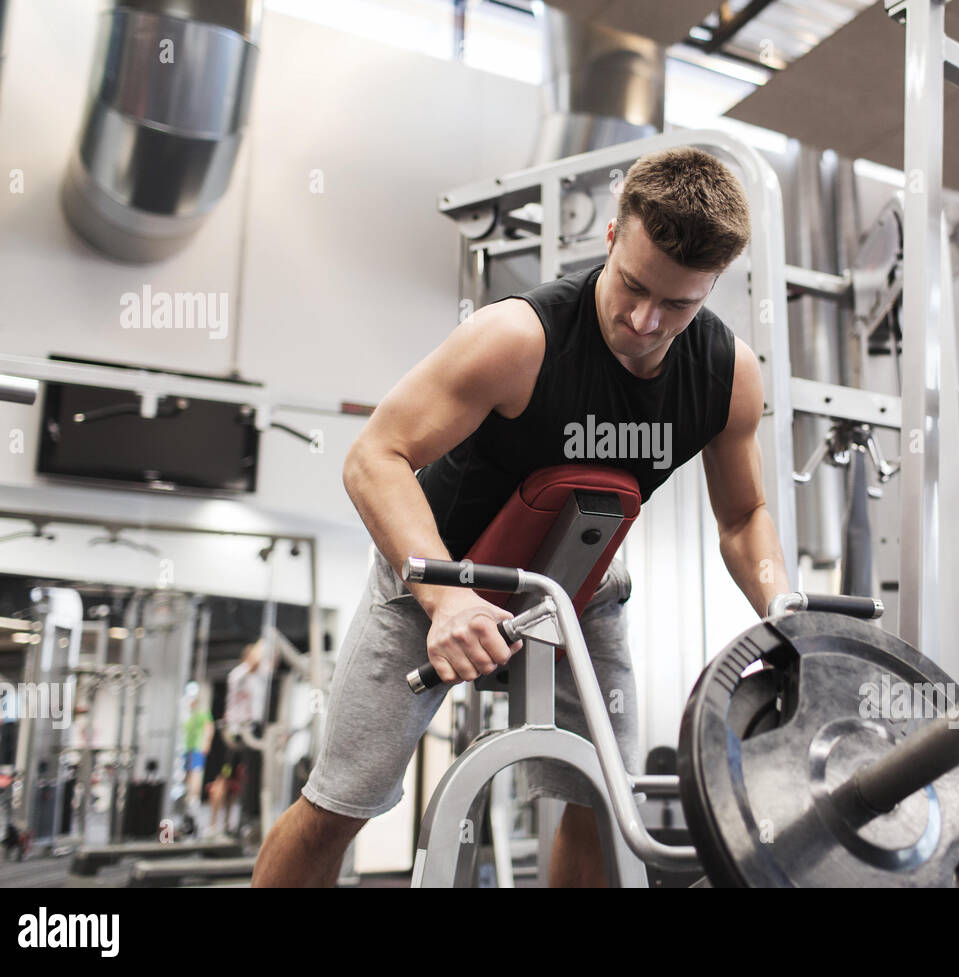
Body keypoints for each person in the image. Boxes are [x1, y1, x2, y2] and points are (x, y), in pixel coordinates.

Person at [253, 146, 794, 888]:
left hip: (579, 587)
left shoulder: (729, 375)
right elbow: (374, 456)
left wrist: (785, 612)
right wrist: (444, 598)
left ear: (714, 285)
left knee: (606, 799)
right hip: (439, 566)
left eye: (678, 304)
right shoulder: (518, 339)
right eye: (634, 287)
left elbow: (745, 516)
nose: (645, 320)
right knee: (344, 799)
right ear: (610, 237)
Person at [207, 640, 269, 838]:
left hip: (252, 732)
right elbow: (253, 662)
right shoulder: (239, 674)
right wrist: (264, 639)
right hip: (234, 733)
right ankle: (213, 825)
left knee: (238, 784)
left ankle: (228, 825)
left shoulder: (259, 677)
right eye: (257, 655)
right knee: (223, 780)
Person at [180, 681, 213, 834]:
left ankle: (194, 800)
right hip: (187, 748)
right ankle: (188, 799)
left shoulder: (202, 713)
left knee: (195, 775)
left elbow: (209, 728)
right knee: (188, 775)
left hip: (197, 749)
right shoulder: (189, 715)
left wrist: (205, 745)